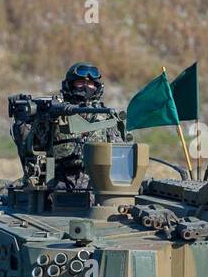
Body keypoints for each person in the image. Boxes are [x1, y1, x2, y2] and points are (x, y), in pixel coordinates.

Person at [12, 62, 125, 192]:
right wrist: (22, 120)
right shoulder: (53, 115)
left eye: (90, 83)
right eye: (80, 82)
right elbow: (30, 148)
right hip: (56, 184)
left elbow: (120, 156)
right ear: (70, 85)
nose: (85, 86)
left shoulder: (107, 118)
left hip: (96, 185)